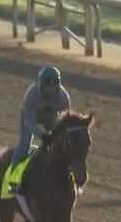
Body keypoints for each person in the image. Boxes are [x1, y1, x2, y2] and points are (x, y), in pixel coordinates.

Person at [6, 66, 72, 195]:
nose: (50, 90)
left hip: (51, 118)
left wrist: (56, 135)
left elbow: (64, 121)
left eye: (53, 87)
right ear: (40, 84)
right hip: (31, 118)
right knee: (24, 144)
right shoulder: (31, 95)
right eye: (47, 86)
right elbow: (30, 122)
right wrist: (42, 135)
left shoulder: (63, 98)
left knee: (61, 144)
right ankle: (12, 180)